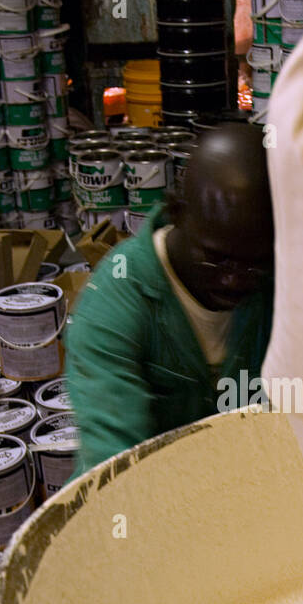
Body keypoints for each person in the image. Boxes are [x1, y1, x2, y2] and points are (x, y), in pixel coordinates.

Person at [66, 122, 274, 476]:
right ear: (176, 213)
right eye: (216, 258)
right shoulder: (115, 302)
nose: (234, 280)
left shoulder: (281, 277)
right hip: (153, 503)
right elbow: (114, 469)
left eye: (253, 264)